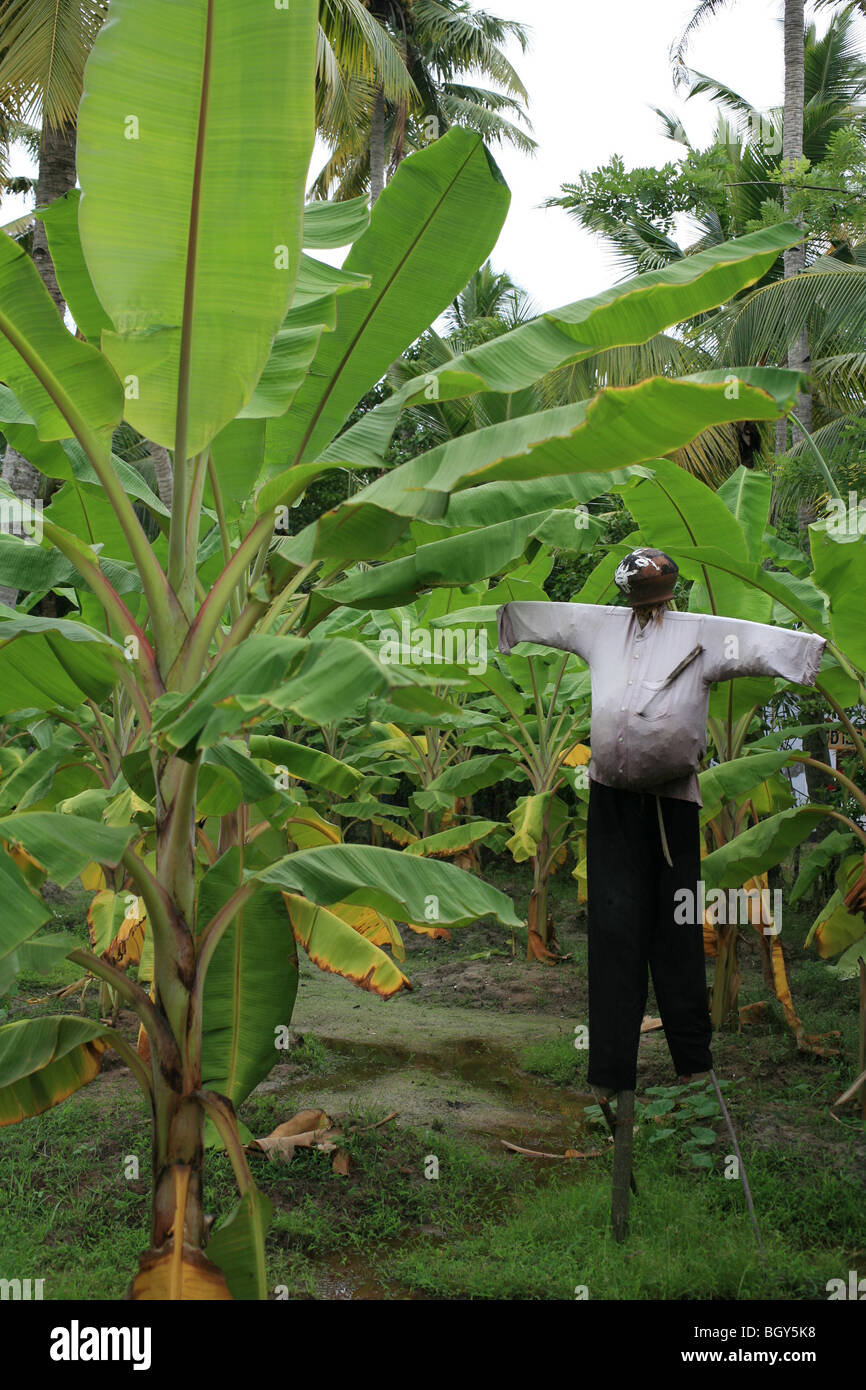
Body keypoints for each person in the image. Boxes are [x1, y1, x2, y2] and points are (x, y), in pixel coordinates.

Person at [497, 547, 826, 1095]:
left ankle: (693, 1067)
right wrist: (511, 621)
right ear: (630, 598)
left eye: (652, 602)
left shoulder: (698, 632)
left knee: (676, 936)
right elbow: (557, 619)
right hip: (611, 803)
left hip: (673, 807)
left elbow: (752, 641)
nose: (646, 610)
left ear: (666, 596)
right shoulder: (601, 628)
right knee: (612, 934)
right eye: (640, 602)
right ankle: (609, 1076)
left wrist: (805, 652)